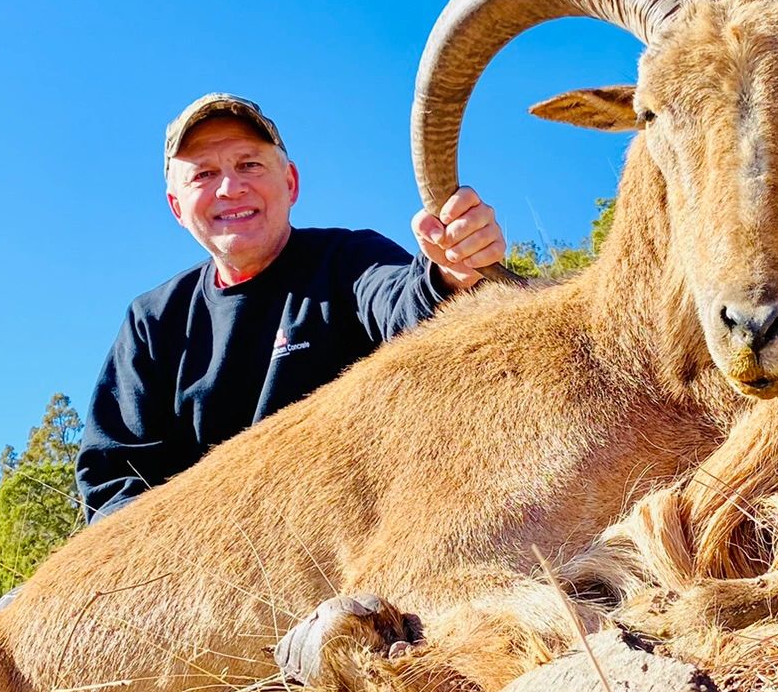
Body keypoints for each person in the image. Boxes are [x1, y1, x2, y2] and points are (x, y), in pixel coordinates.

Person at [76, 93, 506, 521]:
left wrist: (449, 271)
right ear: (177, 208)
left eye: (249, 164)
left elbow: (407, 308)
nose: (230, 187)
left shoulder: (346, 259)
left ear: (291, 183)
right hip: (209, 564)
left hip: (360, 538)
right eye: (204, 174)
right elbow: (112, 479)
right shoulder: (153, 321)